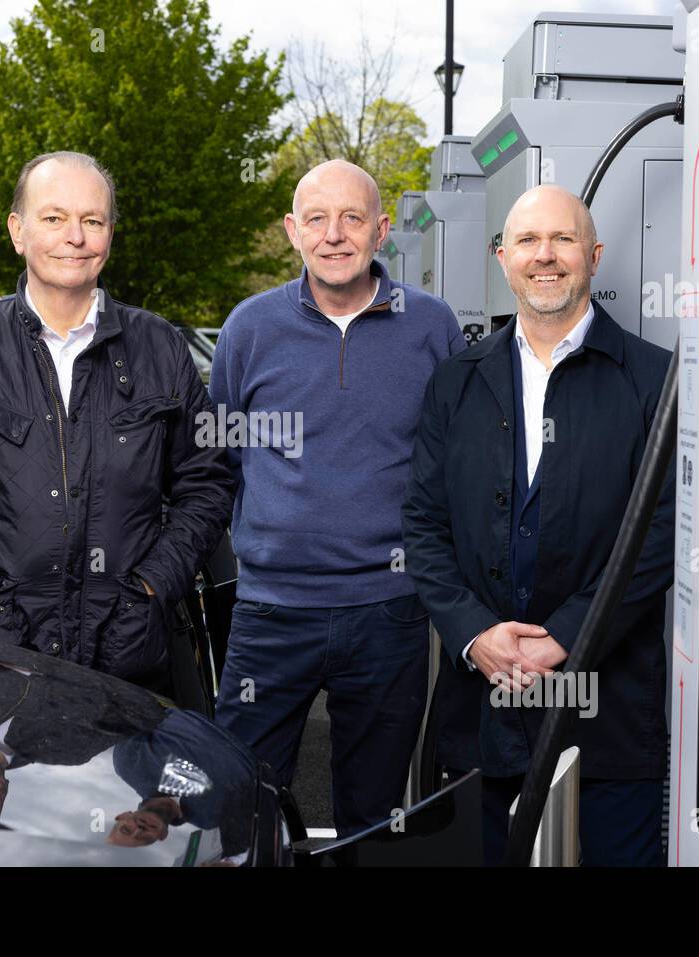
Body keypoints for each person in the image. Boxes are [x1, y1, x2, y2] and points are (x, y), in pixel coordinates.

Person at [0, 151, 235, 687]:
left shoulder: (159, 346)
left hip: (130, 667)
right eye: (54, 217)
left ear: (110, 234)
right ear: (18, 231)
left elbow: (208, 484)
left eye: (92, 220)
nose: (76, 236)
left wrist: (152, 590)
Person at [402, 184, 674, 866]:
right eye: (526, 241)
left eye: (563, 240)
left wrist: (566, 637)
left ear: (594, 255)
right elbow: (423, 528)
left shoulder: (653, 380)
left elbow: (661, 534)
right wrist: (474, 635)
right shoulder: (455, 383)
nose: (544, 256)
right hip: (482, 707)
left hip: (609, 713)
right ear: (502, 257)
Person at [210, 159, 465, 837]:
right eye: (317, 218)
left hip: (388, 613)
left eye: (352, 217)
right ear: (292, 231)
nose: (334, 234)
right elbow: (224, 454)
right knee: (238, 802)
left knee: (372, 818)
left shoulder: (432, 327)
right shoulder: (249, 328)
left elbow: (454, 461)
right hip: (270, 614)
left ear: (381, 229)